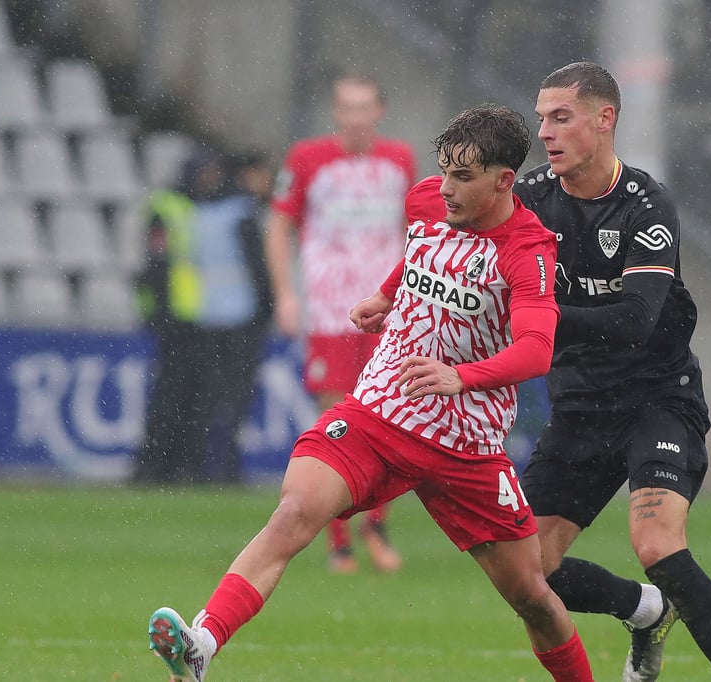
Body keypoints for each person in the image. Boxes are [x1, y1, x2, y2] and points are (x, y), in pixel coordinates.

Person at [147, 103, 595, 682]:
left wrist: (462, 376)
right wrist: (388, 296)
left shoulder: (526, 250)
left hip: (465, 443)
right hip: (379, 410)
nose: (446, 187)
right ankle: (202, 643)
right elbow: (418, 253)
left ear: (503, 180)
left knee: (533, 595)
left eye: (464, 177)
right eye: (445, 171)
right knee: (293, 512)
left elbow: (537, 350)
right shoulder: (427, 199)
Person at [513, 62, 711, 681]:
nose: (544, 131)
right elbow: (456, 252)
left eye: (561, 117)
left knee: (657, 544)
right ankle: (645, 612)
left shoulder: (646, 206)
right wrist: (396, 295)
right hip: (578, 408)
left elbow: (634, 321)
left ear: (605, 119)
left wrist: (537, 314)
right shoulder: (529, 200)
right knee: (525, 572)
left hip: (658, 399)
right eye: (541, 117)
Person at [265, 72, 415, 572]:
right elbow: (279, 223)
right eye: (346, 107)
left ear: (379, 111)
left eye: (363, 107)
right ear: (336, 112)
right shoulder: (308, 159)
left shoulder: (400, 161)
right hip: (330, 309)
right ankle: (338, 539)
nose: (354, 117)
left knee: (390, 418)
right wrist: (287, 295)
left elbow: (415, 231)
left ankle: (375, 523)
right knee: (336, 419)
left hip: (388, 311)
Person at [133, 147, 273, 485]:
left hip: (200, 319)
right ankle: (186, 468)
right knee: (188, 400)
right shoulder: (226, 212)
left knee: (193, 400)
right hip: (193, 320)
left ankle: (186, 468)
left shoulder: (202, 210)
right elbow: (158, 266)